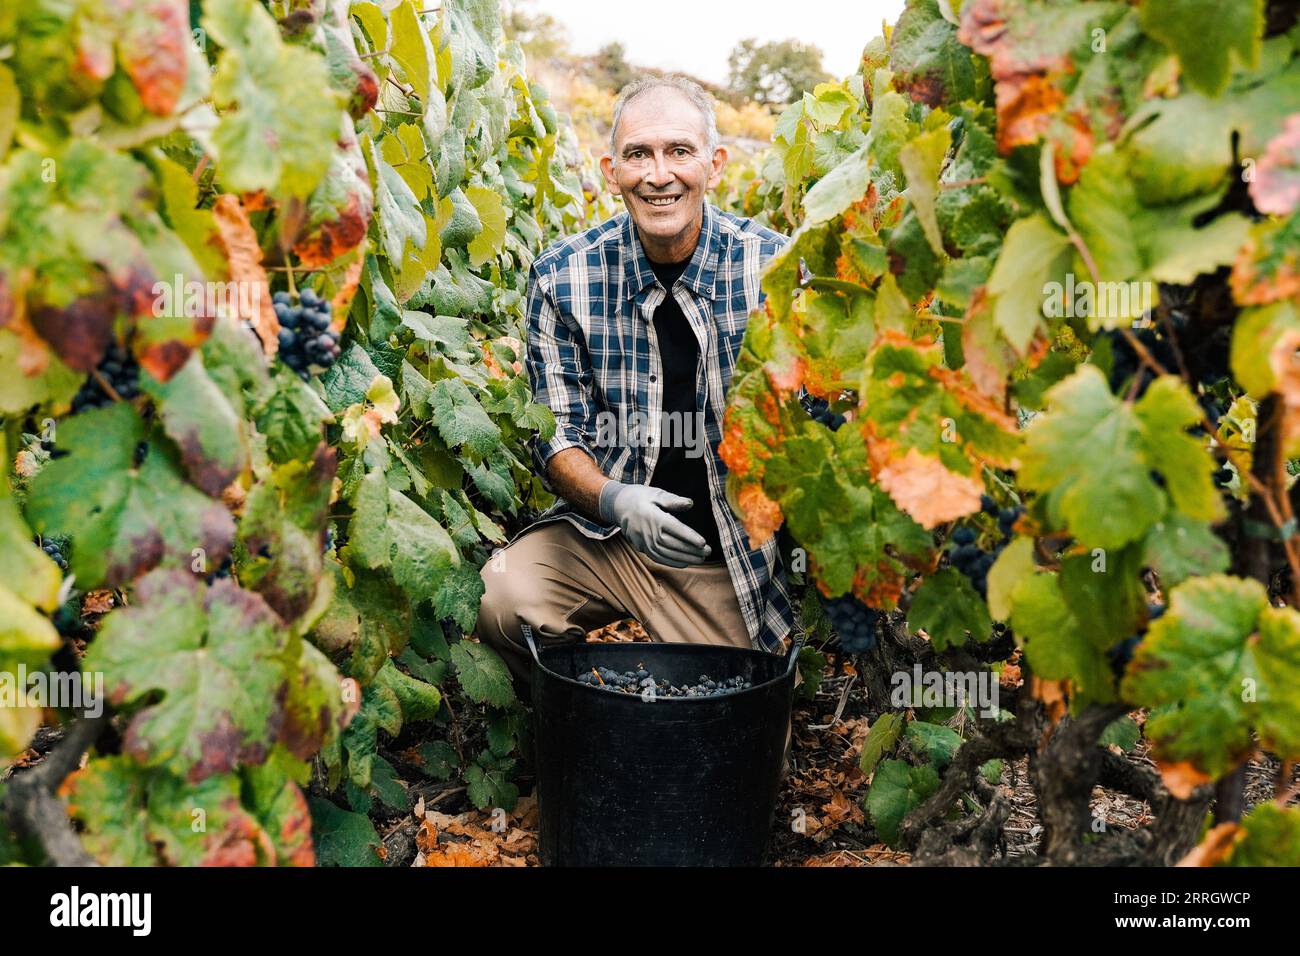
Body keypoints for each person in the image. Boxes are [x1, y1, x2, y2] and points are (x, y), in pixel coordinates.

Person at [475, 74, 799, 771]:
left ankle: (662, 720)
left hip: (726, 560)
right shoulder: (562, 279)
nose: (659, 175)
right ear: (610, 171)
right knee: (504, 594)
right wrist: (616, 500)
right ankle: (582, 722)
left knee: (734, 752)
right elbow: (555, 433)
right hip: (611, 541)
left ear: (714, 165)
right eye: (638, 154)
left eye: (679, 151)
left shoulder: (775, 271)